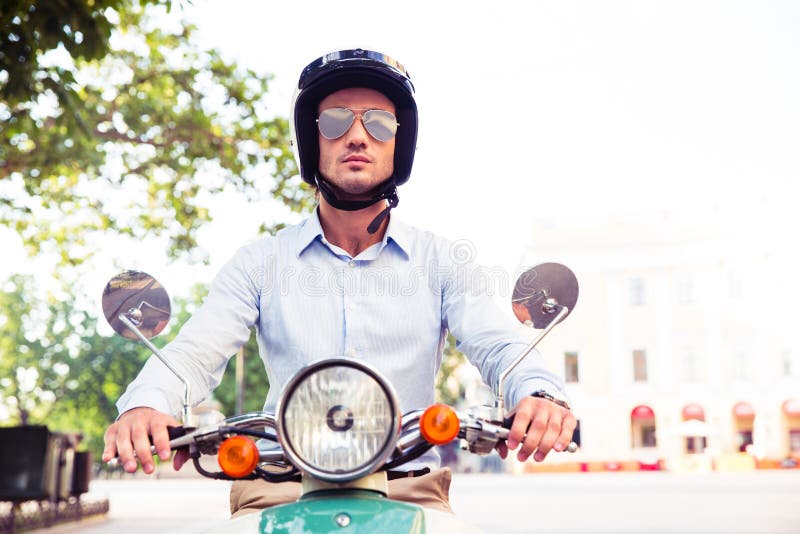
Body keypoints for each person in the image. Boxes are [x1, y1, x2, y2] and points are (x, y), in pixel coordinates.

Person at [102, 48, 576, 516]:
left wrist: (539, 394)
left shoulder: (442, 261)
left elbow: (498, 345)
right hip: (279, 487)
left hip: (409, 490)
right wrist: (145, 404)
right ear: (312, 142)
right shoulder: (260, 262)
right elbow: (194, 351)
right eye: (334, 122)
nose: (356, 136)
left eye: (378, 123)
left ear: (399, 142)